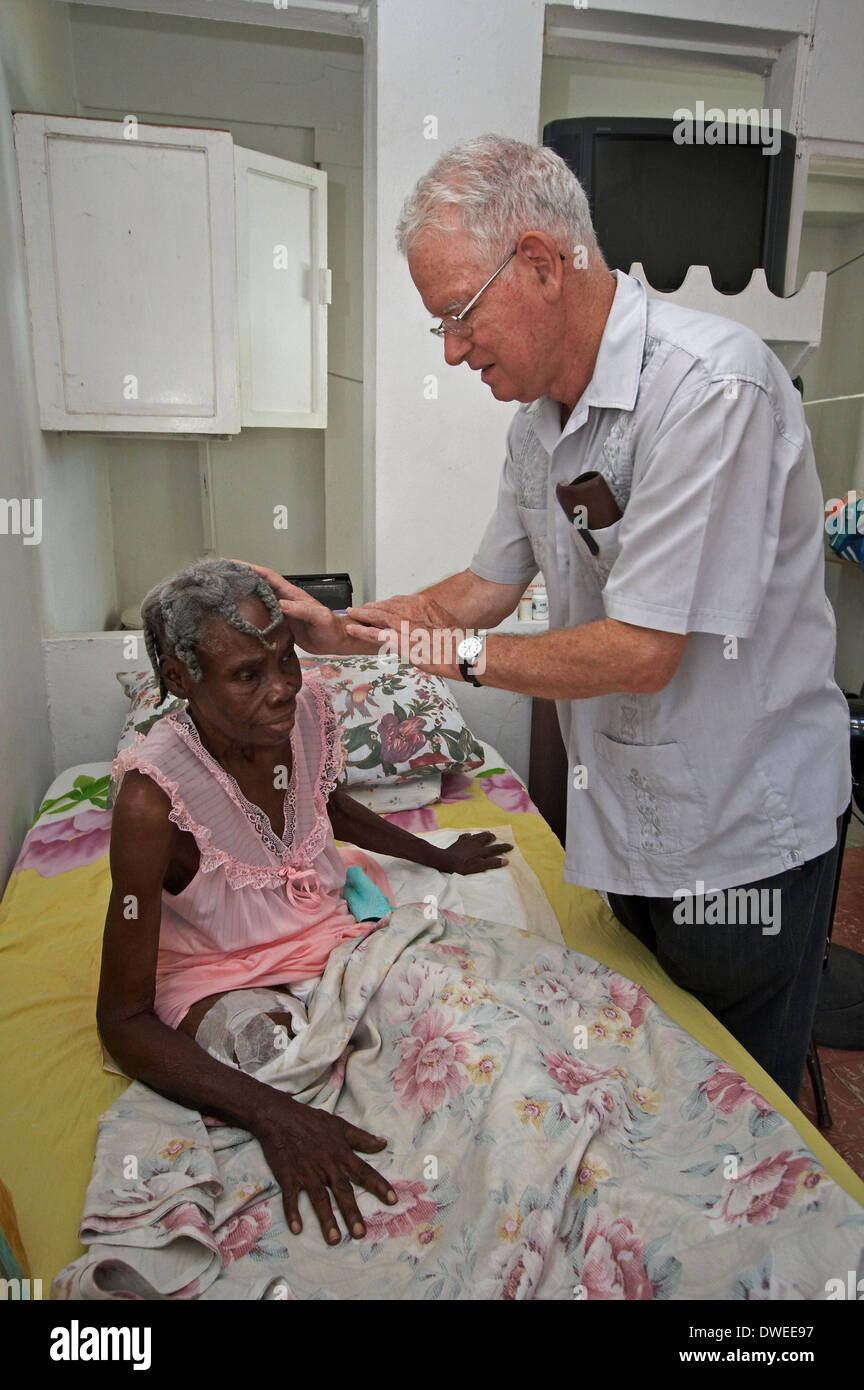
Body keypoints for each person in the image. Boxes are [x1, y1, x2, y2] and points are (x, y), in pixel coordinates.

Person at [249, 134, 851, 1103]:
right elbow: (482, 587)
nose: (451, 349)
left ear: (538, 262)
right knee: (658, 1069)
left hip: (743, 833)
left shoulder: (710, 391)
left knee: (741, 1104)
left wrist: (454, 657)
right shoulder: (538, 427)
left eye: (457, 314)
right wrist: (345, 630)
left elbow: (642, 652)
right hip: (632, 818)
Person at [97, 557, 510, 1247]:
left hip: (330, 935)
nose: (282, 689)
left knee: (469, 1035)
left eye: (284, 660)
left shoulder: (305, 710)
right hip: (219, 974)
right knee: (302, 1077)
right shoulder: (151, 802)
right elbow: (123, 1017)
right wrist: (274, 1117)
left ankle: (496, 1194)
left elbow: (324, 805)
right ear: (179, 680)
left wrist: (438, 856)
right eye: (247, 676)